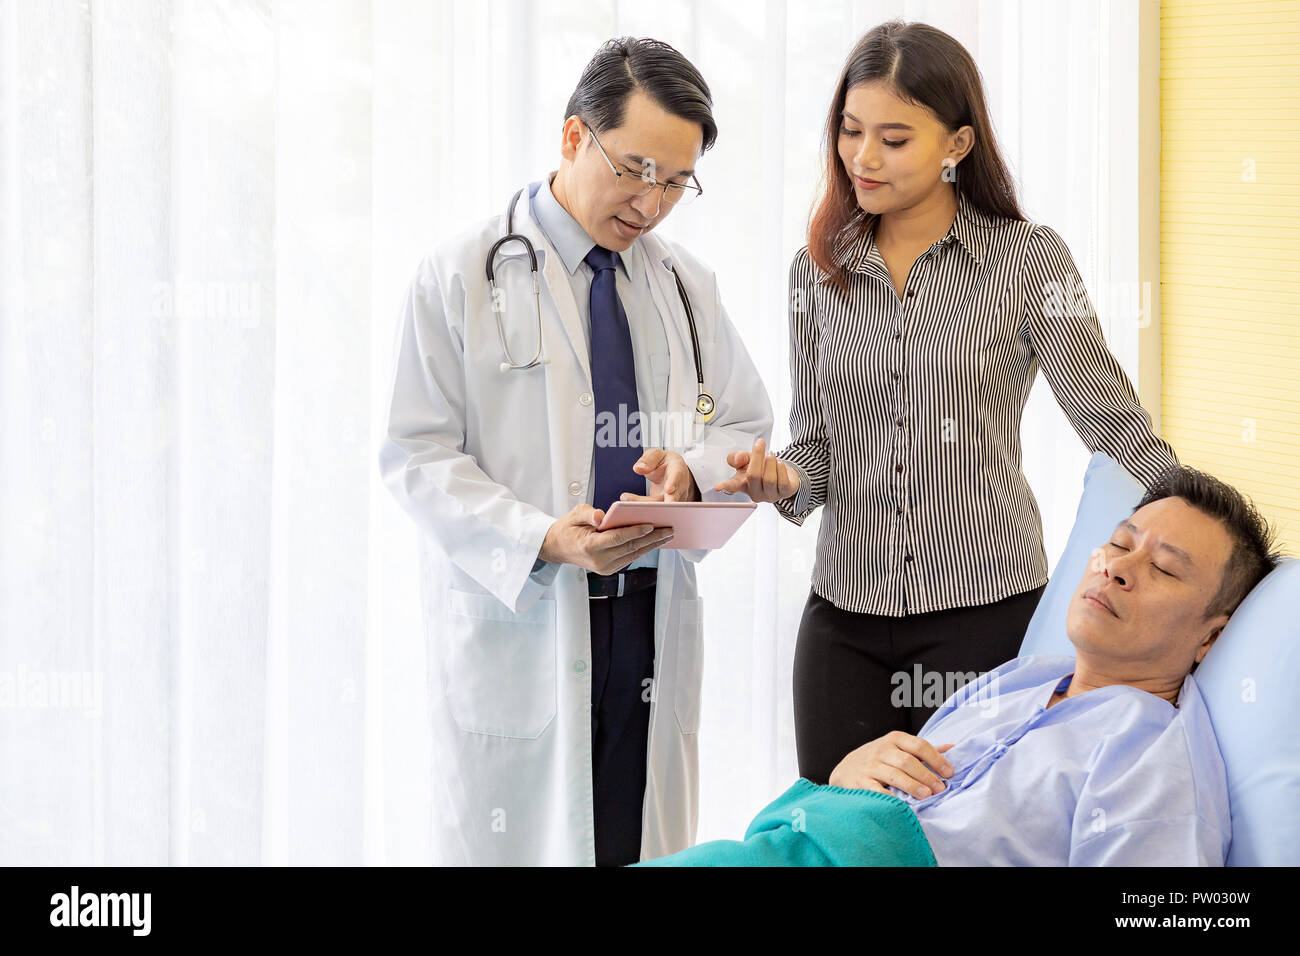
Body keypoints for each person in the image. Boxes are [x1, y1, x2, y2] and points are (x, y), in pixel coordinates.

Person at [716, 19, 1179, 785]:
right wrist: (785, 481)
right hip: (844, 623)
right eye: (851, 130)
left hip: (986, 614)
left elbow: (1112, 423)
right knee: (835, 837)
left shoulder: (1029, 261)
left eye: (894, 139)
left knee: (960, 838)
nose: (863, 157)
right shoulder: (817, 269)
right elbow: (818, 446)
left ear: (957, 144)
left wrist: (1204, 544)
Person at [378, 37, 773, 866]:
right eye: (634, 168)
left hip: (647, 618)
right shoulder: (462, 274)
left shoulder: (685, 284)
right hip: (526, 613)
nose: (652, 202)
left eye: (675, 181)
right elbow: (418, 453)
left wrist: (690, 473)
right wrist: (542, 537)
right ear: (572, 138)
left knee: (636, 845)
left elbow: (742, 423)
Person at [641, 465, 1280, 866]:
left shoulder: (1150, 755)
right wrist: (848, 777)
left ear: (1210, 639)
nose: (1116, 566)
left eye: (1163, 568)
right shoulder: (1020, 681)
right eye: (1118, 542)